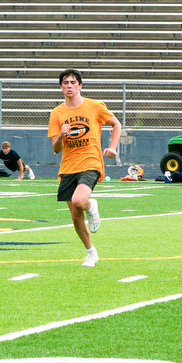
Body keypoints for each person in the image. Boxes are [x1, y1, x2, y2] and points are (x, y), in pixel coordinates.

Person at [49, 68, 121, 267]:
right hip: (68, 166)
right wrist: (62, 135)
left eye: (73, 82)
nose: (69, 86)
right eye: (65, 83)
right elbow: (56, 148)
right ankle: (91, 252)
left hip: (91, 162)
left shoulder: (94, 106)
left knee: (80, 201)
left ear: (80, 85)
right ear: (61, 87)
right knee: (75, 215)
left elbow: (116, 124)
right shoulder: (57, 113)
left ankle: (91, 205)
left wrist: (113, 147)